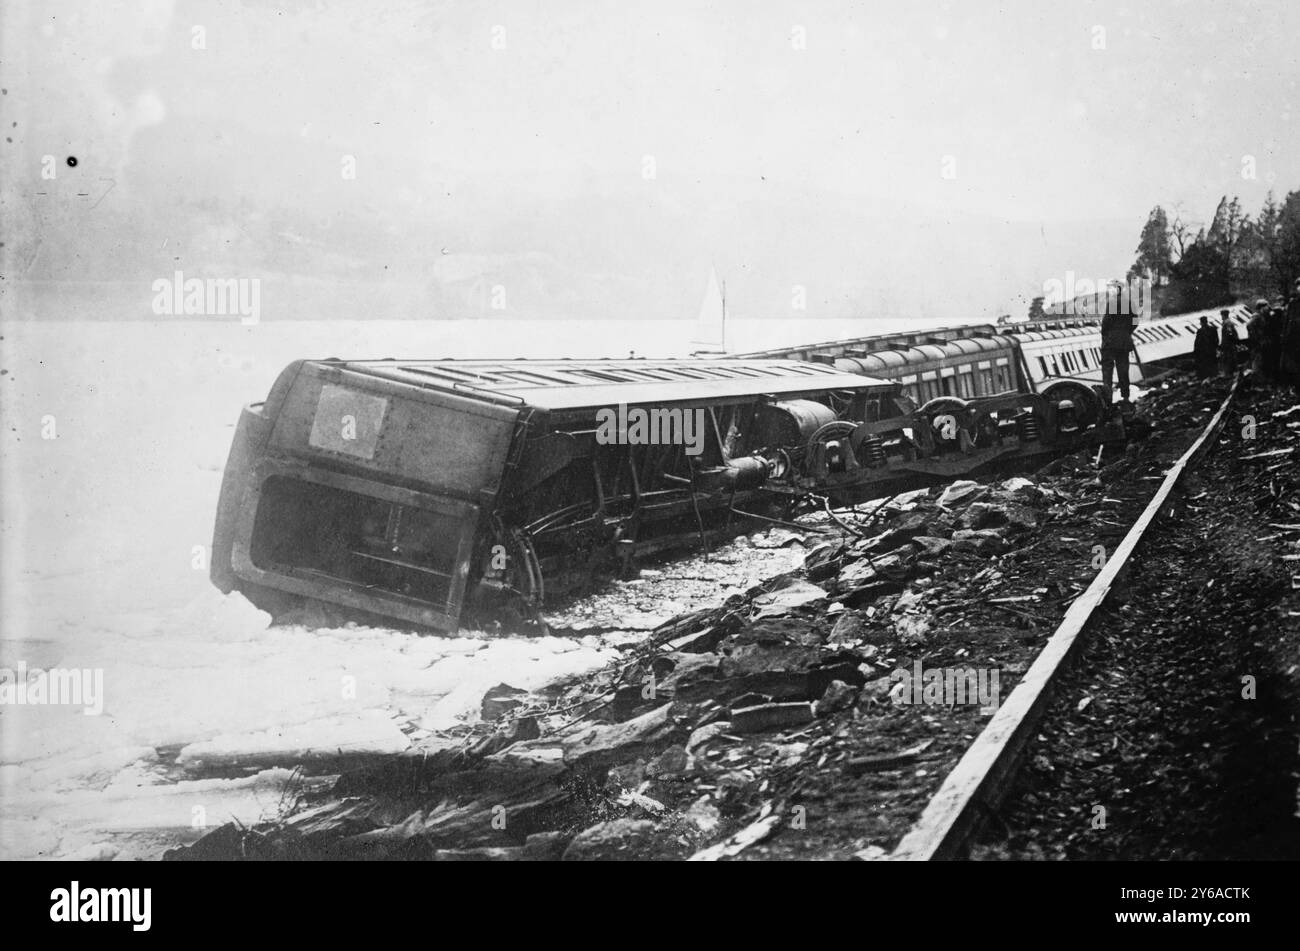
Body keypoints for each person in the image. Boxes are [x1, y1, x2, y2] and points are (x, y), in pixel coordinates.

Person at [1099, 298, 1135, 409]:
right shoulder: (1130, 303)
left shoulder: (1112, 303)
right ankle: (1125, 397)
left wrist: (1105, 334)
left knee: (1107, 371)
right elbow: (1136, 322)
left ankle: (1108, 399)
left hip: (1110, 342)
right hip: (1124, 341)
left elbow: (1106, 322)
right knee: (1123, 370)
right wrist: (1127, 332)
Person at [1193, 313, 1219, 379]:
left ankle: (1207, 376)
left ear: (1201, 322)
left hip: (1204, 352)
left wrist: (1196, 352)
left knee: (1205, 365)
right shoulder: (1213, 329)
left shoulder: (1200, 331)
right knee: (1212, 364)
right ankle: (1214, 376)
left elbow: (1197, 343)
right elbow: (1216, 340)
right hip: (1212, 350)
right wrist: (1215, 347)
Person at [1219, 309, 1239, 374]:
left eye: (1222, 315)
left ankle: (1230, 372)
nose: (1221, 317)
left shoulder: (1227, 323)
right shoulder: (1228, 322)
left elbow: (1230, 333)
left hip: (1228, 345)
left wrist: (1227, 343)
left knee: (1229, 359)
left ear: (1224, 315)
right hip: (1229, 344)